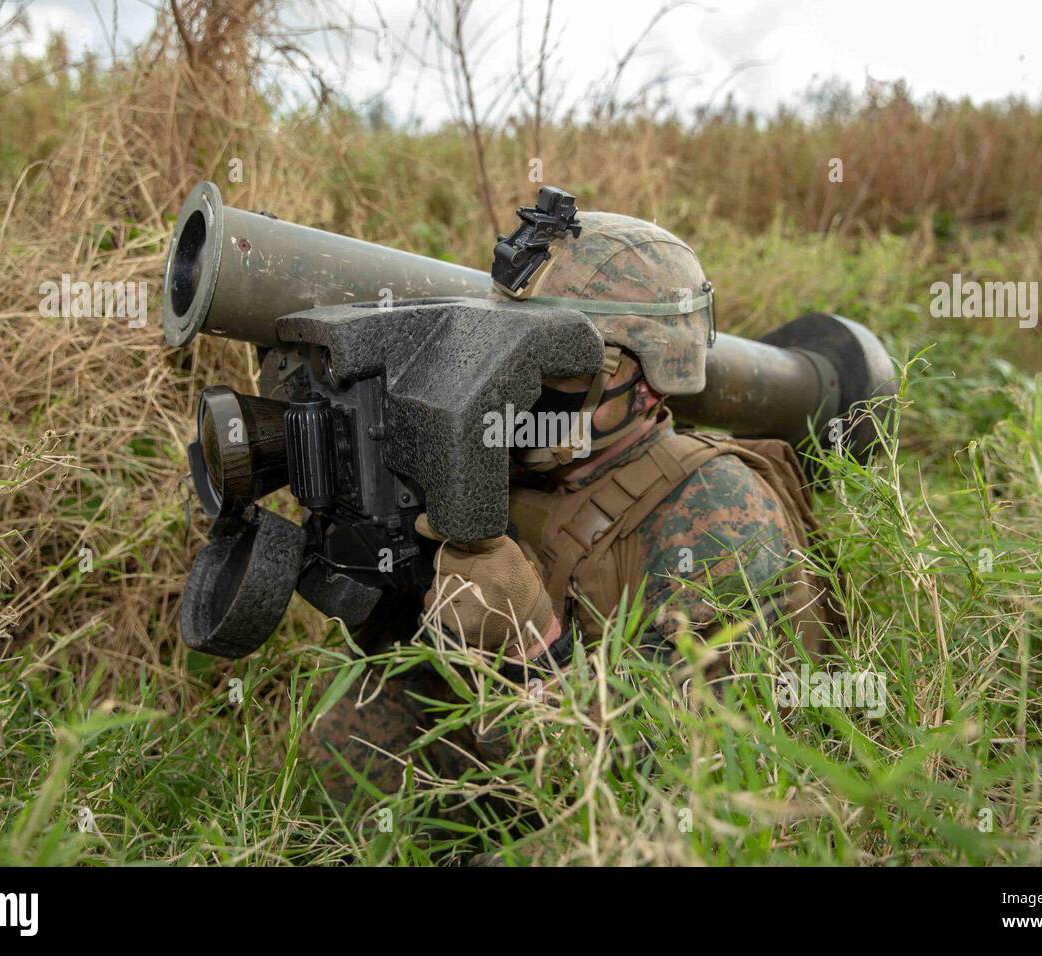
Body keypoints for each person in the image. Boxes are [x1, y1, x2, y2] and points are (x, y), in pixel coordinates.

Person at [311, 210, 837, 793]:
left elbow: (684, 785)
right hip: (505, 744)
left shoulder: (721, 521)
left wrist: (534, 644)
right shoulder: (514, 451)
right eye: (505, 357)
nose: (517, 394)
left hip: (612, 798)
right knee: (347, 743)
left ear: (648, 382)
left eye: (554, 371)